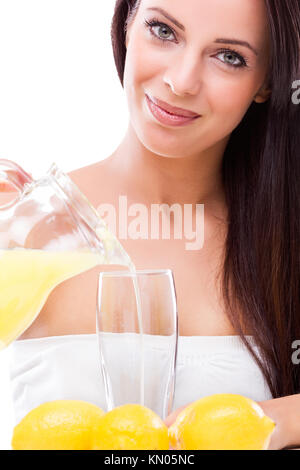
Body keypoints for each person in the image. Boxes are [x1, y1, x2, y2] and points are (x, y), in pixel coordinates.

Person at [6, 0, 300, 450]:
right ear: (127, 26)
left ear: (265, 84)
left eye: (229, 57)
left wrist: (273, 420)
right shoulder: (22, 225)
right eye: (163, 31)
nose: (181, 82)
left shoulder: (284, 241)